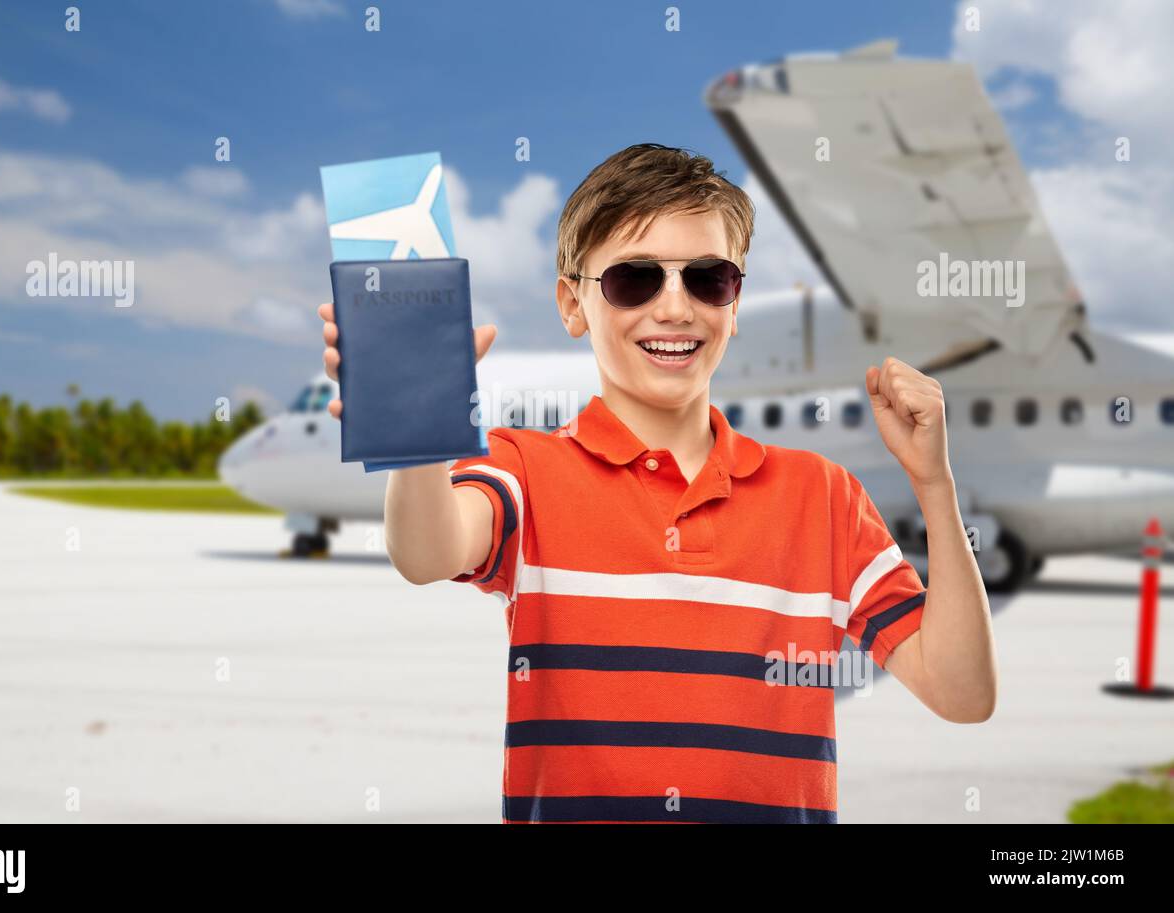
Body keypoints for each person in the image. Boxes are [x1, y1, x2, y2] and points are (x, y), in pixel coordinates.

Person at [317, 143, 996, 824]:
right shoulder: (523, 468)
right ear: (572, 303)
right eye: (633, 280)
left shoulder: (824, 495)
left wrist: (934, 483)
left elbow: (962, 693)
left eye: (709, 279)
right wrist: (415, 432)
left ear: (734, 303)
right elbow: (425, 552)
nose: (675, 307)